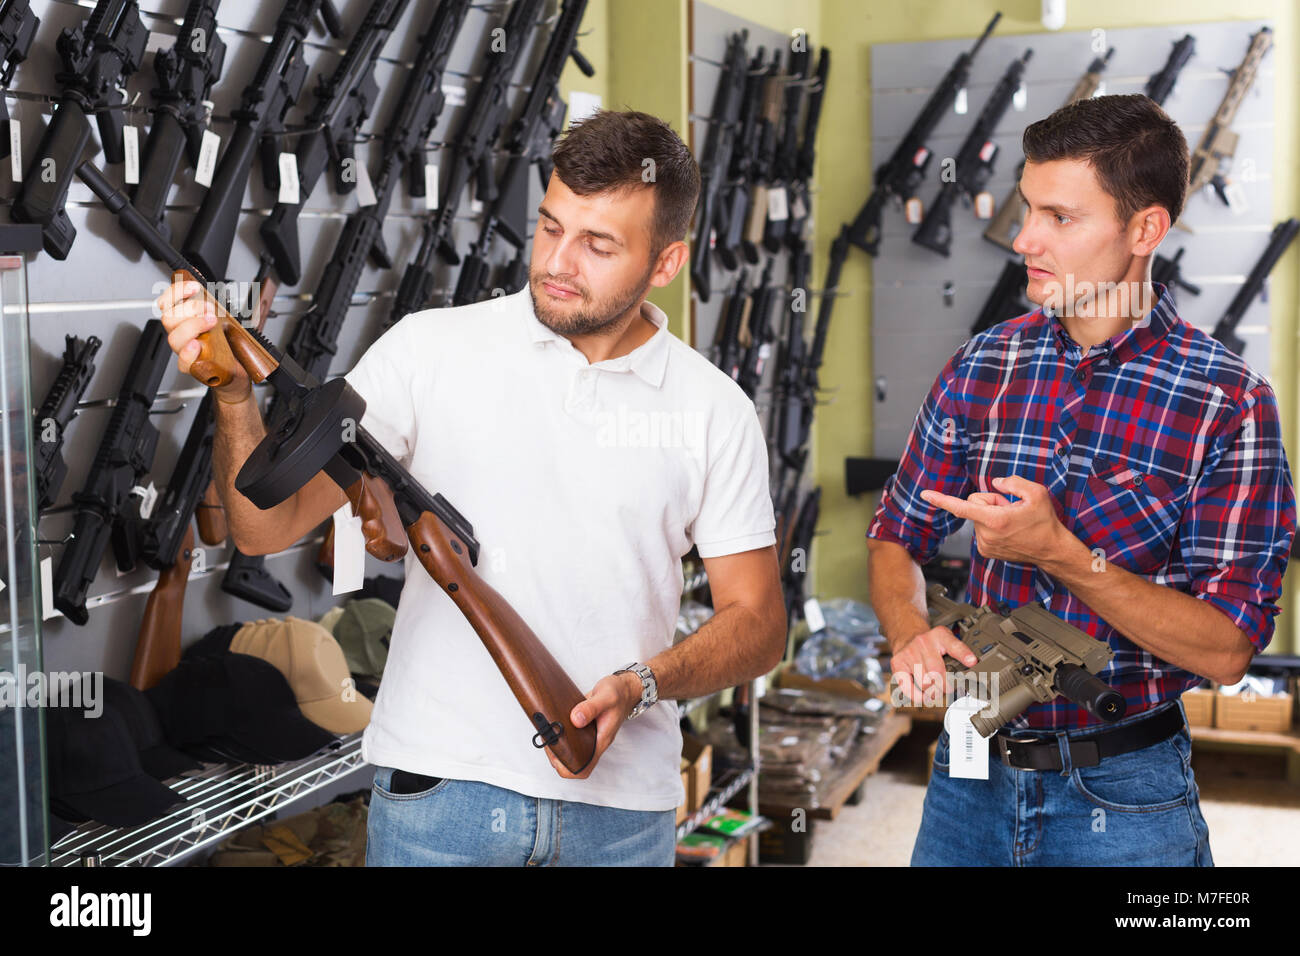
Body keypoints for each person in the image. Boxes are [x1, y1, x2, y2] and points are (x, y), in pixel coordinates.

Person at [156, 110, 786, 866]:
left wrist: (645, 683)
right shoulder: (431, 349)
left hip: (618, 818)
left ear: (666, 262)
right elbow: (261, 531)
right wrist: (230, 395)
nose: (558, 261)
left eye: (598, 245)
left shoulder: (714, 409)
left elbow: (758, 624)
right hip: (440, 797)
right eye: (550, 227)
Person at [866, 93, 1295, 866]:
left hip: (1126, 790)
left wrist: (1062, 552)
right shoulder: (984, 364)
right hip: (971, 763)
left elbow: (1229, 649)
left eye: (1060, 218)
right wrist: (909, 635)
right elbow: (897, 533)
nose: (1025, 238)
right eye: (1030, 209)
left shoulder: (1229, 404)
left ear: (1145, 230)